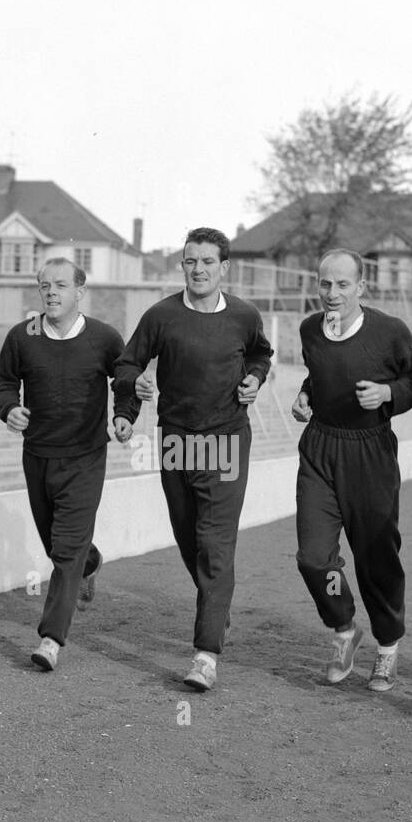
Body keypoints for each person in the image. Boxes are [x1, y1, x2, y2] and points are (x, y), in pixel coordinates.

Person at [113, 227, 273, 691]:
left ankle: (205, 656)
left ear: (225, 268)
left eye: (207, 262)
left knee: (216, 544)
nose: (198, 270)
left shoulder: (244, 315)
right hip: (176, 442)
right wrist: (131, 398)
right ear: (182, 265)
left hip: (226, 441)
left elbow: (261, 354)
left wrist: (256, 379)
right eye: (190, 261)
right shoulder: (161, 315)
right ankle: (215, 610)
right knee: (191, 541)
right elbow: (128, 365)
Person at [0, 257, 138, 671]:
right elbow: (4, 383)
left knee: (66, 548)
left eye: (59, 285)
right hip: (37, 455)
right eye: (44, 286)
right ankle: (90, 564)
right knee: (59, 547)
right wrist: (9, 409)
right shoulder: (22, 337)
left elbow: (126, 382)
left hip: (86, 457)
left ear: (80, 292)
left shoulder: (105, 338)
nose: (51, 292)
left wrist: (125, 415)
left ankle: (51, 639)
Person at [292, 249, 412, 691]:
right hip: (320, 448)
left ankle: (387, 647)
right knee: (314, 558)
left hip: (370, 454)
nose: (332, 294)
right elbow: (318, 375)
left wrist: (388, 393)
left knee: (375, 557)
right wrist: (305, 396)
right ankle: (344, 627)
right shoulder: (309, 329)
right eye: (325, 284)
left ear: (361, 287)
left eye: (342, 285)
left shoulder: (389, 332)